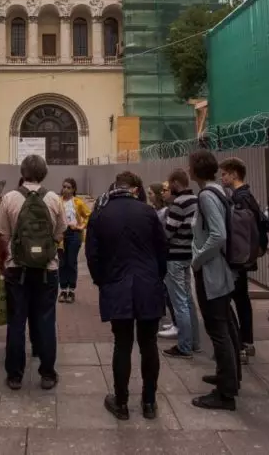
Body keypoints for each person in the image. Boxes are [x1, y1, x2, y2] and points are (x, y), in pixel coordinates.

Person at [86, 171, 167, 421]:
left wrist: (102, 280)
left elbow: (92, 253)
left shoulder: (101, 213)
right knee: (149, 343)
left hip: (116, 284)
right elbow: (162, 249)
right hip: (147, 284)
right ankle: (149, 401)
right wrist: (157, 276)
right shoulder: (147, 212)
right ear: (135, 188)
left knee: (122, 344)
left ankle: (121, 402)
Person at [0, 154, 66, 391]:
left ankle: (15, 375)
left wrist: (1, 262)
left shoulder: (10, 198)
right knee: (46, 320)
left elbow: (3, 237)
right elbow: (58, 234)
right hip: (47, 270)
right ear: (44, 173)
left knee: (16, 322)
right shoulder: (54, 198)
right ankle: (47, 373)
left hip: (17, 269)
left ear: (22, 173)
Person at [188, 149, 240, 411]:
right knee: (226, 326)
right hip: (220, 270)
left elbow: (218, 235)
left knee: (218, 329)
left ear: (196, 169)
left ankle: (226, 392)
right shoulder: (219, 191)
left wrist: (197, 258)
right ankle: (228, 375)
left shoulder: (207, 196)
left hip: (212, 271)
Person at [219, 157, 269, 362]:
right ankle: (246, 342)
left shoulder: (239, 198)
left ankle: (240, 345)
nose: (222, 178)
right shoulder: (247, 196)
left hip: (238, 260)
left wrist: (235, 260)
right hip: (245, 257)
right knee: (242, 301)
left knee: (234, 300)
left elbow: (240, 233)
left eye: (224, 174)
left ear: (234, 174)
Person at [161, 169, 202, 359]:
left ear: (176, 183)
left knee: (179, 303)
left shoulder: (178, 203)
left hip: (175, 255)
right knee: (188, 300)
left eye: (170, 185)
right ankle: (194, 342)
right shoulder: (195, 199)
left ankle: (184, 346)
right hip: (188, 253)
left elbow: (168, 232)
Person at [148, 183, 179, 339]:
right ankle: (174, 320)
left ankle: (177, 323)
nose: (149, 195)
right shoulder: (153, 210)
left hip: (164, 252)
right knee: (164, 288)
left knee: (170, 289)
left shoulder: (166, 211)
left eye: (151, 193)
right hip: (156, 251)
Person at [58, 178, 90, 304]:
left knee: (71, 262)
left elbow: (88, 215)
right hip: (61, 235)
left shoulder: (78, 202)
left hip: (74, 234)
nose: (65, 189)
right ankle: (62, 289)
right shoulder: (57, 201)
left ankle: (71, 290)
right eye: (64, 186)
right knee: (62, 262)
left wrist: (81, 226)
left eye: (68, 187)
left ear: (74, 189)